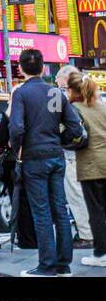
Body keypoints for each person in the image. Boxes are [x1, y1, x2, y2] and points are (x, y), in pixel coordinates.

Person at [9, 47, 82, 276]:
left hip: (33, 157)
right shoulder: (55, 93)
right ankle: (63, 263)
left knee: (41, 212)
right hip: (55, 155)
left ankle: (47, 265)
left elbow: (17, 127)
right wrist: (59, 139)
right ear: (43, 68)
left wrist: (17, 147)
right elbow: (75, 126)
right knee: (60, 209)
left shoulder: (21, 93)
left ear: (20, 69)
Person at [66, 69, 106, 267]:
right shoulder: (103, 107)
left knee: (96, 211)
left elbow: (73, 137)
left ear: (73, 90)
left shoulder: (75, 109)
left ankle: (100, 254)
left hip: (91, 166)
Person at [55, 66, 95, 246]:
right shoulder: (95, 99)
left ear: (67, 80)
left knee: (76, 195)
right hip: (93, 153)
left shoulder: (62, 99)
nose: (56, 82)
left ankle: (86, 234)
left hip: (73, 154)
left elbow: (60, 127)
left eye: (58, 78)